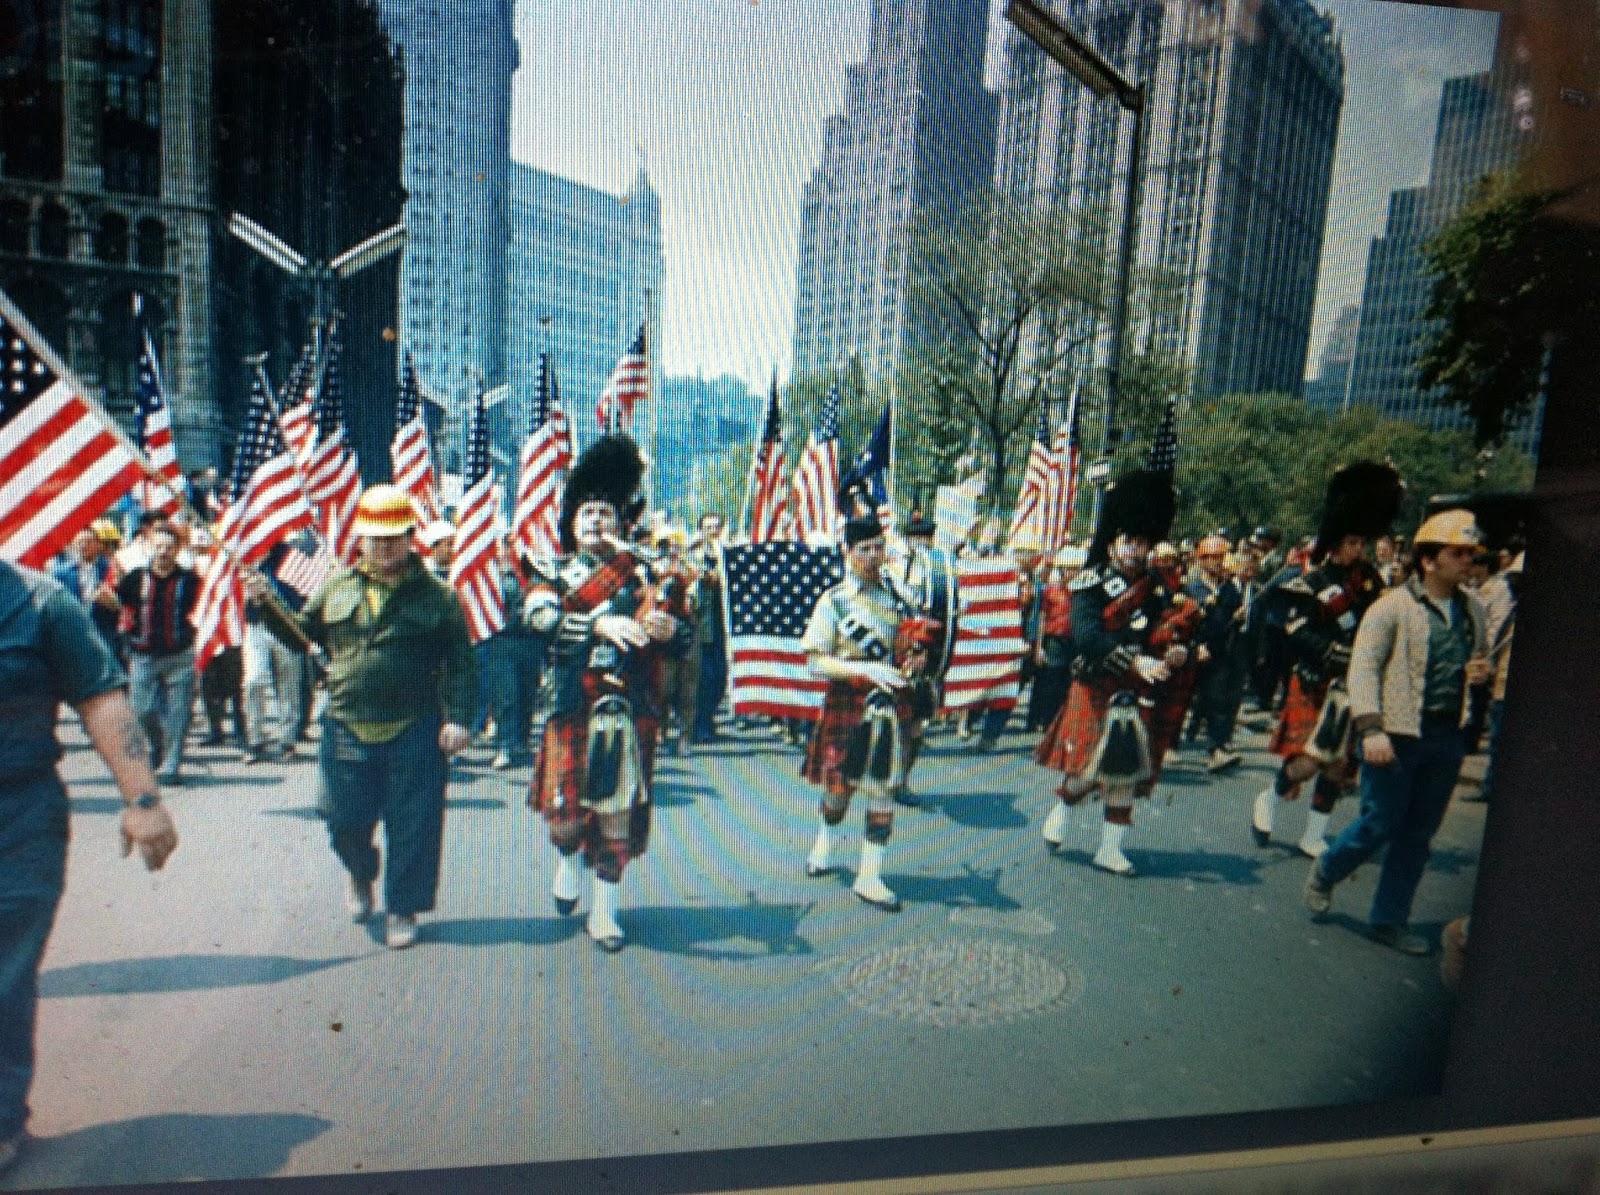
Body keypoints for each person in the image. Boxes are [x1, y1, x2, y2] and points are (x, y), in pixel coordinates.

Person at [0, 558, 178, 1170]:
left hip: (15, 819)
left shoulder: (40, 603)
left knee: (3, 974)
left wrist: (144, 799)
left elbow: (100, 697)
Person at [245, 485, 478, 950]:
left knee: (414, 822)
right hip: (347, 722)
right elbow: (298, 635)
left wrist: (459, 719)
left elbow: (460, 664)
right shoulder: (337, 587)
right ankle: (359, 871)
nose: (383, 547)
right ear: (360, 538)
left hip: (415, 725)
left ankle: (403, 908)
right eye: (374, 538)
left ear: (411, 538)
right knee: (342, 817)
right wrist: (266, 604)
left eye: (393, 537)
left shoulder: (439, 598)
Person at [523, 437, 689, 951]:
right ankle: (567, 857)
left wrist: (666, 628)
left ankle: (606, 913)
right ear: (572, 524)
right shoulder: (552, 570)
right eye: (586, 513)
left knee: (615, 812)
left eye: (605, 512)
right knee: (567, 821)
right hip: (573, 702)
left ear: (621, 522)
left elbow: (681, 634)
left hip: (627, 704)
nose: (596, 520)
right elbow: (540, 618)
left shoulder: (644, 574)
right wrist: (599, 626)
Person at [1303, 508, 1490, 955]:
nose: (1469, 561)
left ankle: (1389, 918)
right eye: (1458, 553)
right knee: (1380, 823)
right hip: (1394, 736)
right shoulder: (1392, 607)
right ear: (1428, 560)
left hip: (1446, 738)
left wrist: (1476, 674)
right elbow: (1363, 668)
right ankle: (1328, 868)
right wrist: (1372, 729)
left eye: (1472, 554)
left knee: (1418, 836)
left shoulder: (1473, 611)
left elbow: (1474, 658)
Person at [1034, 470, 1200, 875]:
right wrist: (1133, 659)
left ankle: (1110, 848)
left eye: (1143, 542)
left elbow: (1168, 628)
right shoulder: (1089, 584)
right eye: (1129, 541)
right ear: (1112, 543)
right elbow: (1087, 636)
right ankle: (1065, 802)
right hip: (1096, 684)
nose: (1136, 550)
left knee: (1125, 769)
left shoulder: (1159, 587)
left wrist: (1177, 650)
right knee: (1090, 769)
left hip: (1137, 687)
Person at [1250, 463, 1403, 857]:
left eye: (1362, 542)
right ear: (1335, 542)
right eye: (1352, 542)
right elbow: (1296, 630)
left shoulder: (1370, 581)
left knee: (1339, 765)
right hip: (1317, 677)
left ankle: (1313, 834)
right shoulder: (1312, 581)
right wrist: (1332, 652)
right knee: (1311, 760)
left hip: (1356, 681)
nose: (1359, 549)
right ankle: (1271, 794)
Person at [798, 513, 938, 912]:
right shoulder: (835, 601)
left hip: (893, 705)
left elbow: (915, 640)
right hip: (850, 702)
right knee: (838, 794)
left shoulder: (900, 594)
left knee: (884, 789)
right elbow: (815, 661)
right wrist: (864, 669)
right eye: (866, 549)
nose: (875, 556)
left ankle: (870, 875)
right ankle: (825, 842)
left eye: (879, 547)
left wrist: (916, 657)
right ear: (849, 552)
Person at [114, 523, 201, 785]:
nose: (164, 552)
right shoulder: (136, 578)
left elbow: (201, 612)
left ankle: (171, 765)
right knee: (142, 710)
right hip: (144, 655)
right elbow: (119, 606)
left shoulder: (190, 580)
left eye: (169, 547)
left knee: (178, 713)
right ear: (152, 547)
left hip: (180, 655)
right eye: (159, 546)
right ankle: (157, 744)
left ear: (177, 550)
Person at [240, 542, 309, 762]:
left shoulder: (291, 555)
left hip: (287, 625)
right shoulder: (245, 555)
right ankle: (255, 738)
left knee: (288, 684)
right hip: (257, 624)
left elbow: (304, 591)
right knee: (253, 681)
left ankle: (287, 740)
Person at [1184, 534, 1246, 772]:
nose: (1217, 563)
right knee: (1186, 699)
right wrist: (1195, 646)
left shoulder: (1230, 589)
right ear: (1201, 560)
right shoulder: (1192, 589)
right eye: (1211, 558)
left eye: (1220, 558)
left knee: (1219, 699)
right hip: (1197, 650)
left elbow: (1230, 620)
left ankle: (1217, 748)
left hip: (1222, 652)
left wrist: (1237, 618)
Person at [482, 541, 546, 770]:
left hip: (530, 641)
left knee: (527, 694)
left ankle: (522, 742)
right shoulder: (493, 577)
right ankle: (505, 746)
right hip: (503, 641)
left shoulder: (534, 576)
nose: (506, 552)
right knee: (505, 696)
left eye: (510, 547)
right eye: (502, 547)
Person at [49, 521, 124, 657]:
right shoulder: (61, 573)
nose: (83, 546)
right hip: (74, 635)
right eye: (80, 542)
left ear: (99, 545)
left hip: (103, 633)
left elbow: (124, 604)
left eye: (88, 542)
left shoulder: (110, 568)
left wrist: (115, 604)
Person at [689, 512, 728, 745]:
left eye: (715, 527)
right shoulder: (694, 555)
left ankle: (708, 717)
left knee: (720, 676)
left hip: (722, 624)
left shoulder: (728, 556)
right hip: (700, 625)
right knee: (704, 677)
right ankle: (699, 724)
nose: (711, 531)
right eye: (707, 527)